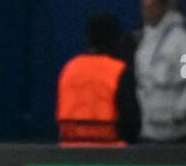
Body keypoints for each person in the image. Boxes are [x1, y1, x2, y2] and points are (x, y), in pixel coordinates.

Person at [56, 13, 140, 145]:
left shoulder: (70, 68)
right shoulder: (118, 70)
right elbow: (131, 121)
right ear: (116, 38)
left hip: (69, 152)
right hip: (109, 153)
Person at [134, 0, 186, 142]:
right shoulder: (145, 41)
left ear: (164, 7)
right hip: (148, 129)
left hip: (176, 131)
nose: (147, 12)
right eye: (144, 7)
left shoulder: (183, 41)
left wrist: (178, 114)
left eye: (153, 6)